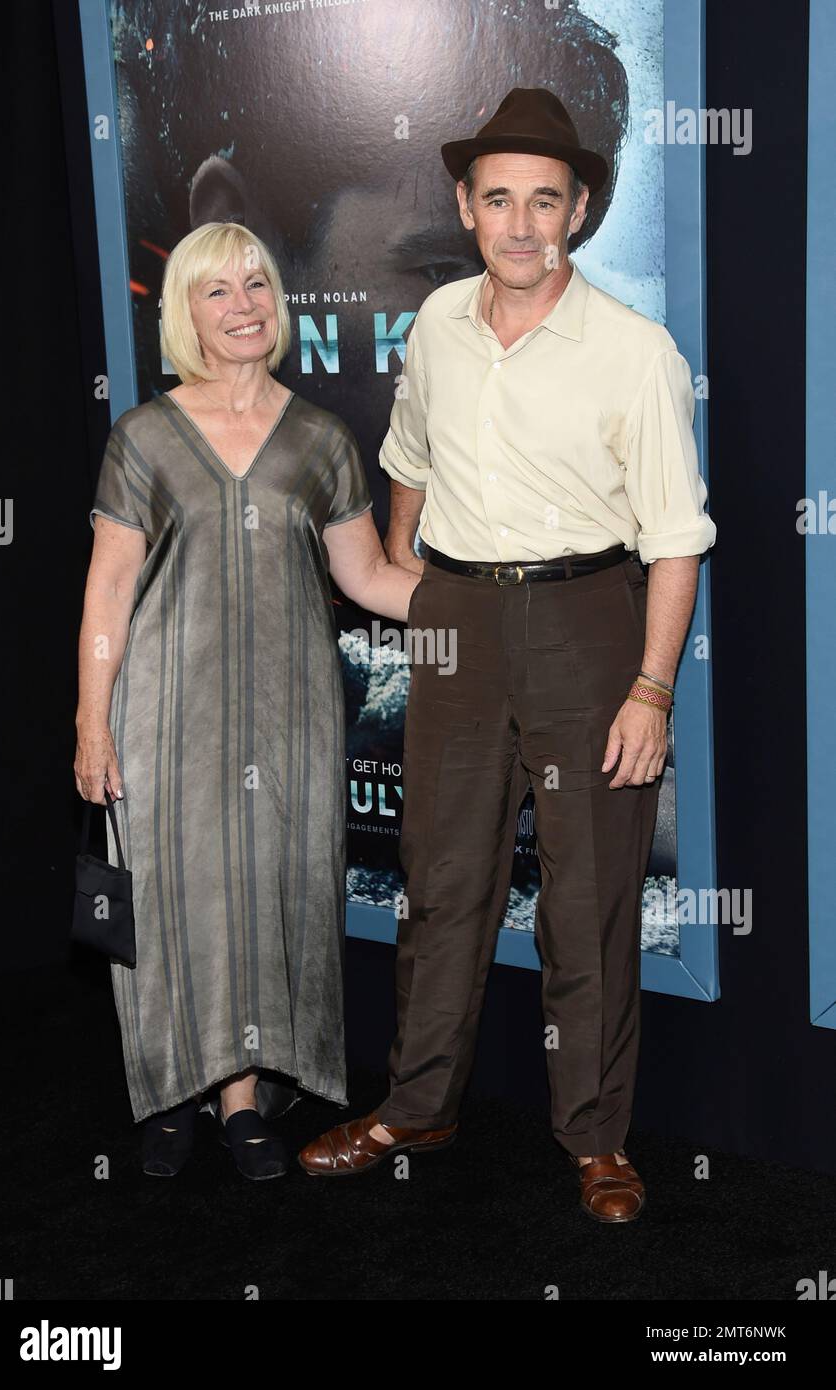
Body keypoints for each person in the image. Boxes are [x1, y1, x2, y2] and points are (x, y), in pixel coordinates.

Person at [298, 89, 716, 1221]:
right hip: (456, 623)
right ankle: (414, 1108)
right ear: (464, 205)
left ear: (577, 210)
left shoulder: (635, 352)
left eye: (544, 199)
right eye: (498, 199)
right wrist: (401, 567)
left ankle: (595, 1143)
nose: (520, 223)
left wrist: (646, 688)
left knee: (585, 901)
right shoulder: (434, 323)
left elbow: (676, 541)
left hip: (590, 624)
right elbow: (408, 450)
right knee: (438, 885)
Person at [74, 222, 419, 1180]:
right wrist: (89, 721)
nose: (244, 306)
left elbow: (373, 579)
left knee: (272, 890)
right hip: (163, 711)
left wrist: (489, 591)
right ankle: (174, 1089)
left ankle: (243, 1096)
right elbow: (106, 593)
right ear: (185, 312)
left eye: (258, 284)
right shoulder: (142, 437)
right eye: (217, 291)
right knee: (178, 893)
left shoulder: (320, 439)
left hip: (289, 713)